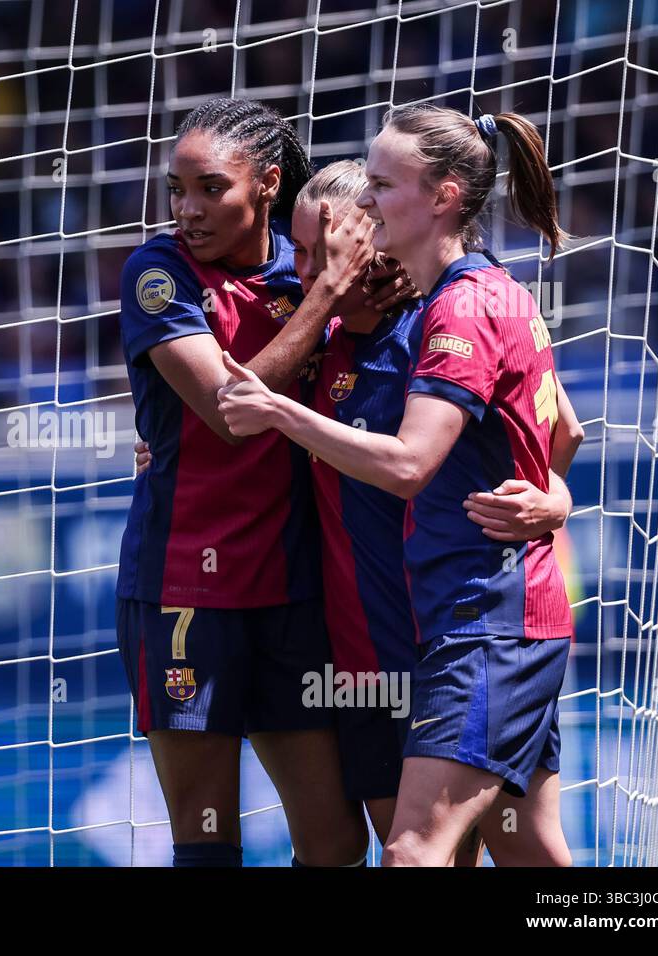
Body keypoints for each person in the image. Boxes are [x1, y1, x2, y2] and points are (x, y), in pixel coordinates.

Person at [137, 160, 583, 864]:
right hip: (361, 657)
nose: (302, 272)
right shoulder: (317, 344)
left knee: (452, 846)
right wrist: (166, 441)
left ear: (372, 245)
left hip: (458, 633)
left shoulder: (442, 322)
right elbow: (222, 411)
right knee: (451, 842)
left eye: (321, 253)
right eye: (298, 251)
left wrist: (553, 499)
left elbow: (560, 427)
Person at [116, 96, 412, 867]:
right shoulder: (159, 273)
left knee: (336, 840)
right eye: (177, 190)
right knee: (208, 840)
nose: (187, 209)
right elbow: (231, 412)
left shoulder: (310, 265)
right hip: (185, 593)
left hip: (293, 593)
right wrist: (329, 295)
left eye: (211, 188)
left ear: (269, 183)